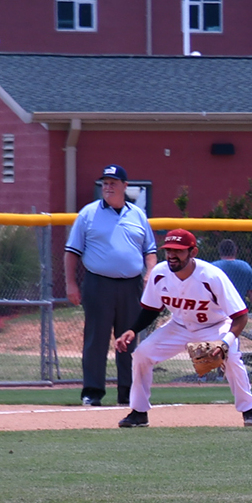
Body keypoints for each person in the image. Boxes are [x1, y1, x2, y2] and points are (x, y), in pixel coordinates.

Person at [112, 229, 252, 428]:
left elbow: (240, 317)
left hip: (213, 326)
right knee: (141, 354)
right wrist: (132, 330)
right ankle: (139, 412)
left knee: (231, 356)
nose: (172, 255)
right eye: (169, 250)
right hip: (179, 326)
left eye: (179, 251)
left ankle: (248, 410)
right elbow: (150, 309)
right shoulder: (160, 273)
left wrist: (225, 343)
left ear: (193, 252)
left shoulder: (212, 276)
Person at [64, 164, 157, 406]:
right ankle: (92, 391)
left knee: (128, 339)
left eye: (113, 182)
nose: (107, 186)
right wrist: (71, 283)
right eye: (105, 182)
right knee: (96, 338)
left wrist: (150, 274)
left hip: (131, 286)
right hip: (98, 283)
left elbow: (150, 250)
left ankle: (127, 392)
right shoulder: (88, 213)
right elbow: (72, 252)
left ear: (125, 187)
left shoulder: (137, 214)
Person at [211, 239, 252, 316]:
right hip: (237, 309)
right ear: (235, 251)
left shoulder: (212, 267)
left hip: (216, 309)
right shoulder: (245, 267)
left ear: (220, 251)